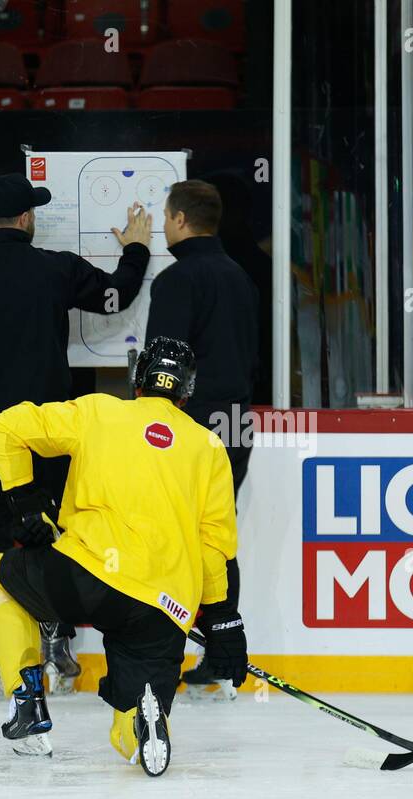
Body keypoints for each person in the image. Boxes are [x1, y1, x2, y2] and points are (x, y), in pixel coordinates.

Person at [0, 173, 151, 690]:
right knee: (52, 540)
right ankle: (58, 641)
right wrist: (134, 250)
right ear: (25, 219)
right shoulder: (53, 269)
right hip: (46, 437)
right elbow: (117, 296)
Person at [0, 337, 246, 776]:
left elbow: (3, 428)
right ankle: (145, 718)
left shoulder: (99, 412)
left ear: (138, 380)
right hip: (163, 605)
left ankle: (26, 695)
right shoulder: (208, 448)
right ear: (186, 391)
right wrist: (220, 618)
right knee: (127, 729)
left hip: (85, 577)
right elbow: (212, 545)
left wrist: (23, 500)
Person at [145, 179, 258, 700]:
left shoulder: (175, 281)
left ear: (181, 220)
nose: (163, 226)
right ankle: (221, 646)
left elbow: (163, 369)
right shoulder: (241, 277)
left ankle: (160, 650)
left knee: (168, 538)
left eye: (166, 217)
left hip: (188, 429)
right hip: (235, 424)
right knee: (215, 538)